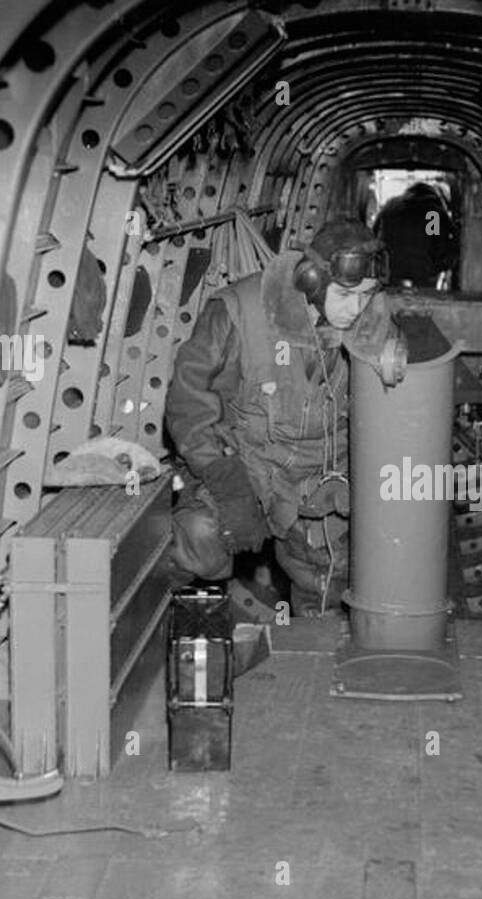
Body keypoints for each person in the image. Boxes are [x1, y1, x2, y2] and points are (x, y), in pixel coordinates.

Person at [164, 220, 397, 615]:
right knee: (199, 537)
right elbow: (189, 402)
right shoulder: (241, 311)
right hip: (249, 463)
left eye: (366, 294)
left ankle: (314, 646)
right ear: (311, 280)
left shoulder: (373, 320)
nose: (355, 308)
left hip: (321, 470)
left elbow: (388, 411)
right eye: (345, 294)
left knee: (335, 572)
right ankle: (162, 626)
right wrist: (227, 481)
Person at [373, 182, 458, 289]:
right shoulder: (432, 214)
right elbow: (439, 245)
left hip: (391, 271)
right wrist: (442, 267)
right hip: (423, 273)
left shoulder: (391, 205)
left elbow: (374, 236)